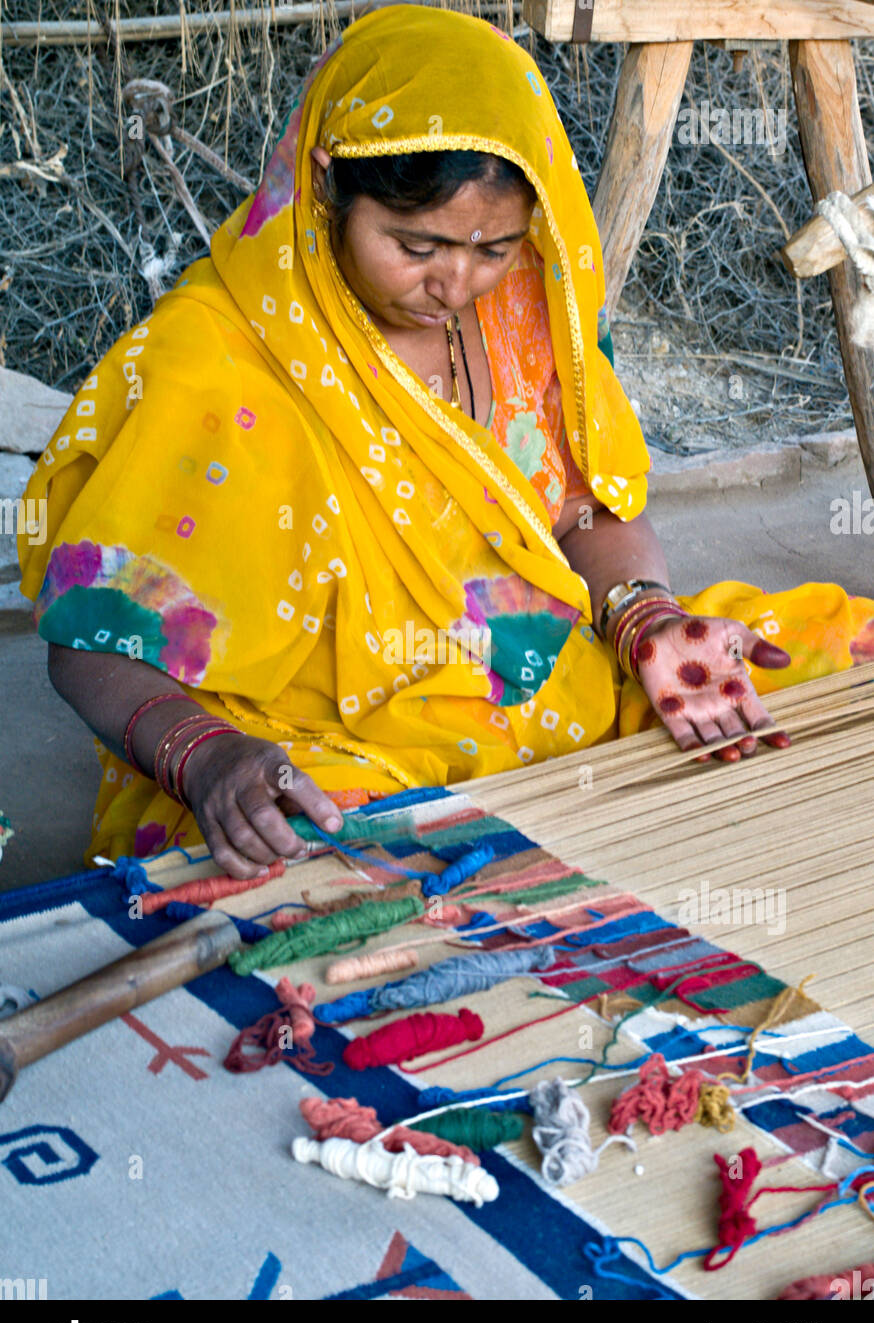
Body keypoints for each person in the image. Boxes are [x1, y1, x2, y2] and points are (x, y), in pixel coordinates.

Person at [19, 5, 874, 879]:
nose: (455, 283)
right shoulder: (211, 355)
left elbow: (583, 512)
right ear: (326, 184)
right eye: (413, 243)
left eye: (493, 247)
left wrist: (645, 618)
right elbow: (90, 640)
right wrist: (203, 758)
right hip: (312, 734)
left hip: (532, 672)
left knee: (807, 669)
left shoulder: (525, 313)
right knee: (319, 865)